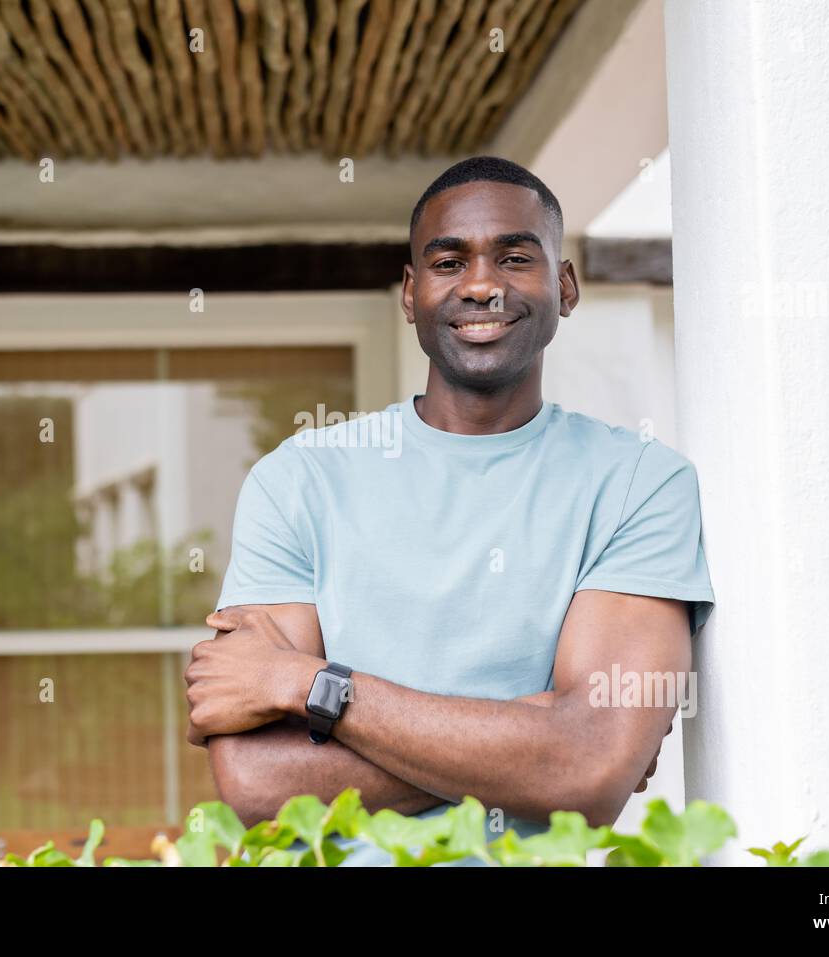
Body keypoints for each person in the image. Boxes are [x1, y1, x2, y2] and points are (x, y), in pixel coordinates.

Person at [184, 155, 715, 866]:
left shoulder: (641, 483)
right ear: (411, 293)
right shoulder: (299, 481)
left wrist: (309, 685)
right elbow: (257, 782)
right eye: (447, 261)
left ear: (565, 284)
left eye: (516, 257)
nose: (482, 284)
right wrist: (536, 735)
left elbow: (591, 766)